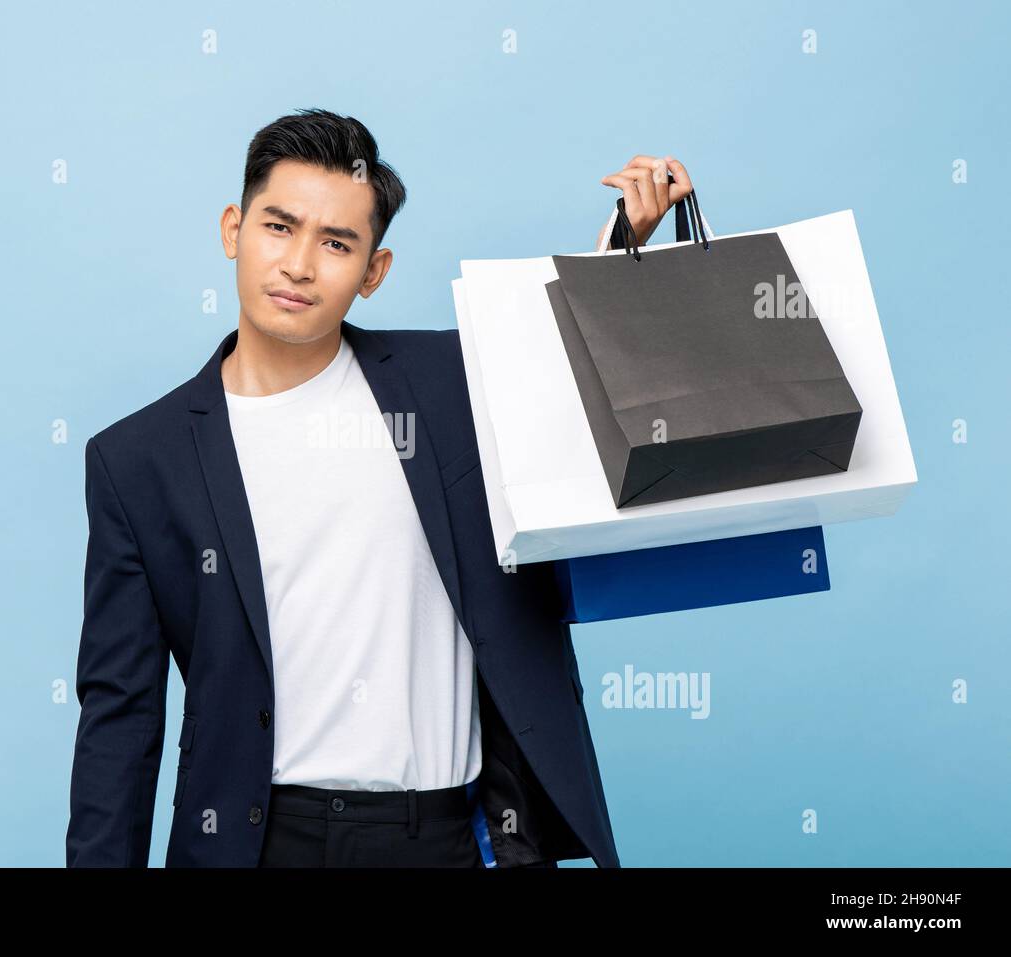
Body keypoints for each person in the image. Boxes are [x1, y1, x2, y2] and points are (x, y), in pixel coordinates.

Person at [65, 108, 691, 868]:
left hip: (444, 837)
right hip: (256, 842)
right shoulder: (139, 459)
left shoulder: (449, 385)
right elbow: (120, 717)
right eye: (278, 227)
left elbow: (562, 375)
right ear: (233, 229)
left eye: (336, 243)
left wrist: (623, 245)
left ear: (373, 272)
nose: (299, 264)